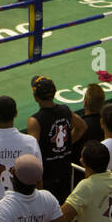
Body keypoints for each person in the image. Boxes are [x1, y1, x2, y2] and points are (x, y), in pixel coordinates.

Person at [26, 75, 84, 203]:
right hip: (64, 171)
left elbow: (33, 153)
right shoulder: (65, 110)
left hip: (47, 176)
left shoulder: (35, 121)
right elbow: (81, 127)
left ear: (36, 97)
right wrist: (65, 145)